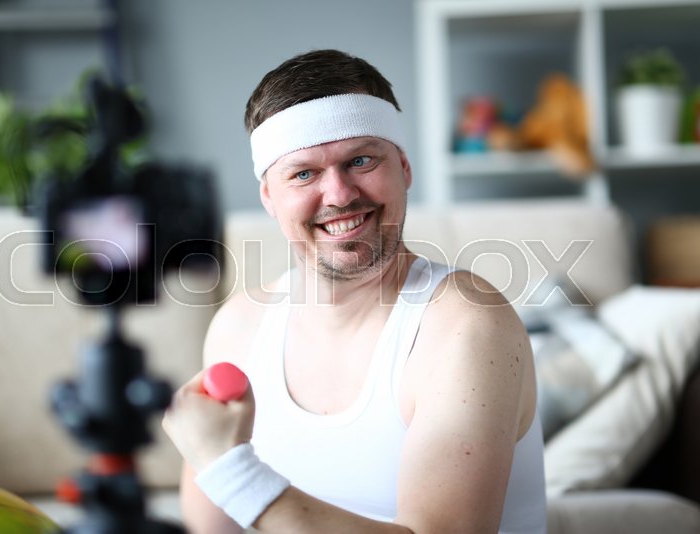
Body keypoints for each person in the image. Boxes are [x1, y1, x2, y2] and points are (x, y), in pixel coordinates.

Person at [162, 49, 546, 534]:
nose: (340, 195)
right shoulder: (240, 329)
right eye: (303, 173)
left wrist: (232, 473)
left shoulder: (467, 324)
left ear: (403, 167)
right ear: (269, 197)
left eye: (361, 160)